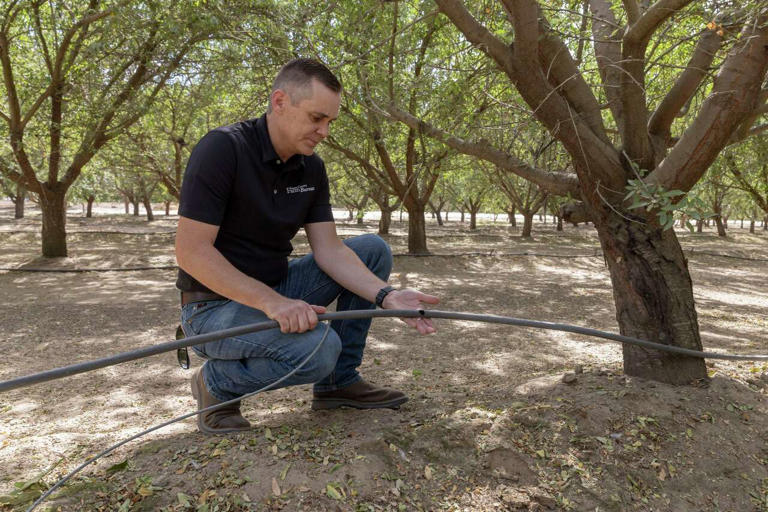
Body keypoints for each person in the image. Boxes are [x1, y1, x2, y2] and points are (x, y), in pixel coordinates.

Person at [175, 58, 439, 434]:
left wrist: (386, 296)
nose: (324, 132)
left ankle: (337, 384)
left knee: (371, 249)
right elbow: (192, 252)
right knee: (319, 348)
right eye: (317, 118)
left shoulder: (311, 167)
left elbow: (330, 251)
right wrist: (273, 303)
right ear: (280, 102)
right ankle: (215, 386)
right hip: (212, 308)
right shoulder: (223, 149)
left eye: (330, 122)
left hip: (276, 288)